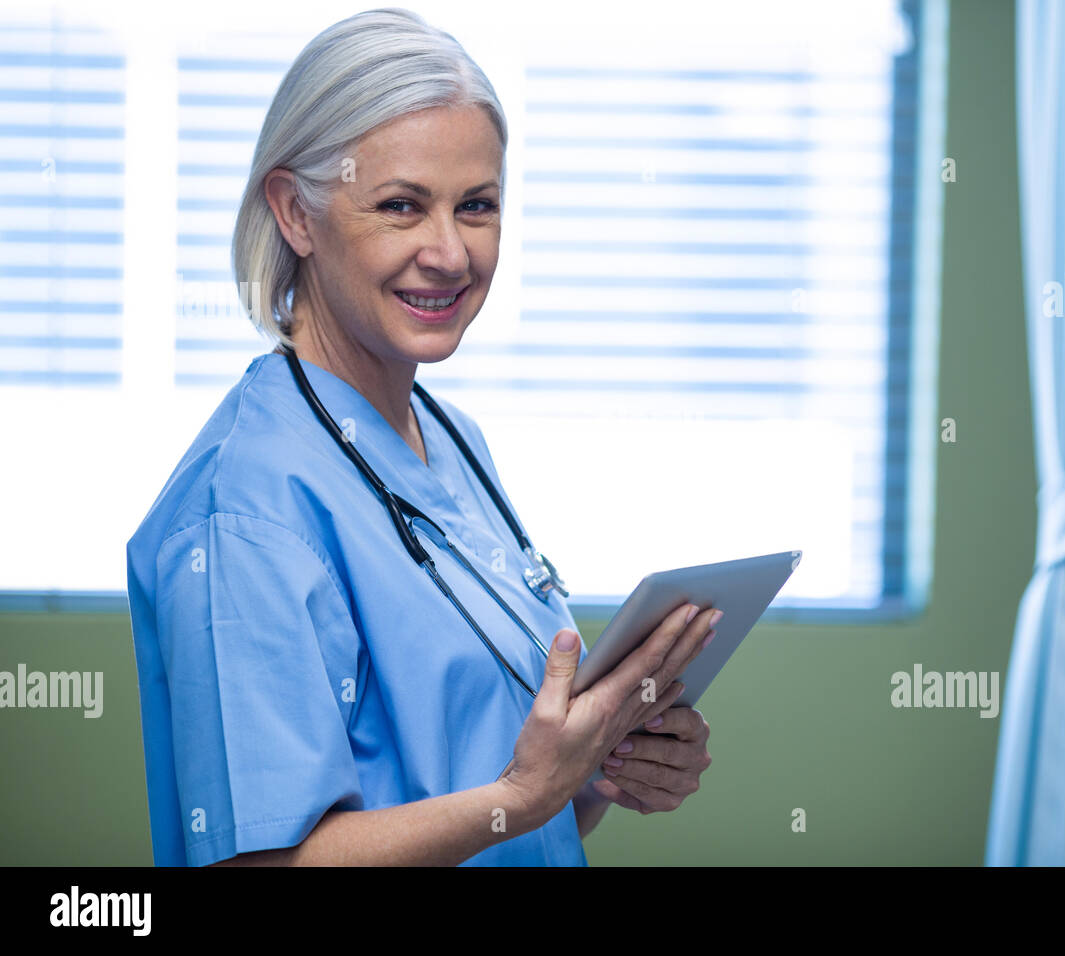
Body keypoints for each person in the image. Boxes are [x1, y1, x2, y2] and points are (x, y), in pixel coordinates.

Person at [125, 7, 717, 867]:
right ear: (295, 213)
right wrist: (527, 795)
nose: (449, 253)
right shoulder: (245, 512)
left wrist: (596, 772)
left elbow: (480, 799)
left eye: (476, 206)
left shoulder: (450, 439)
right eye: (401, 206)